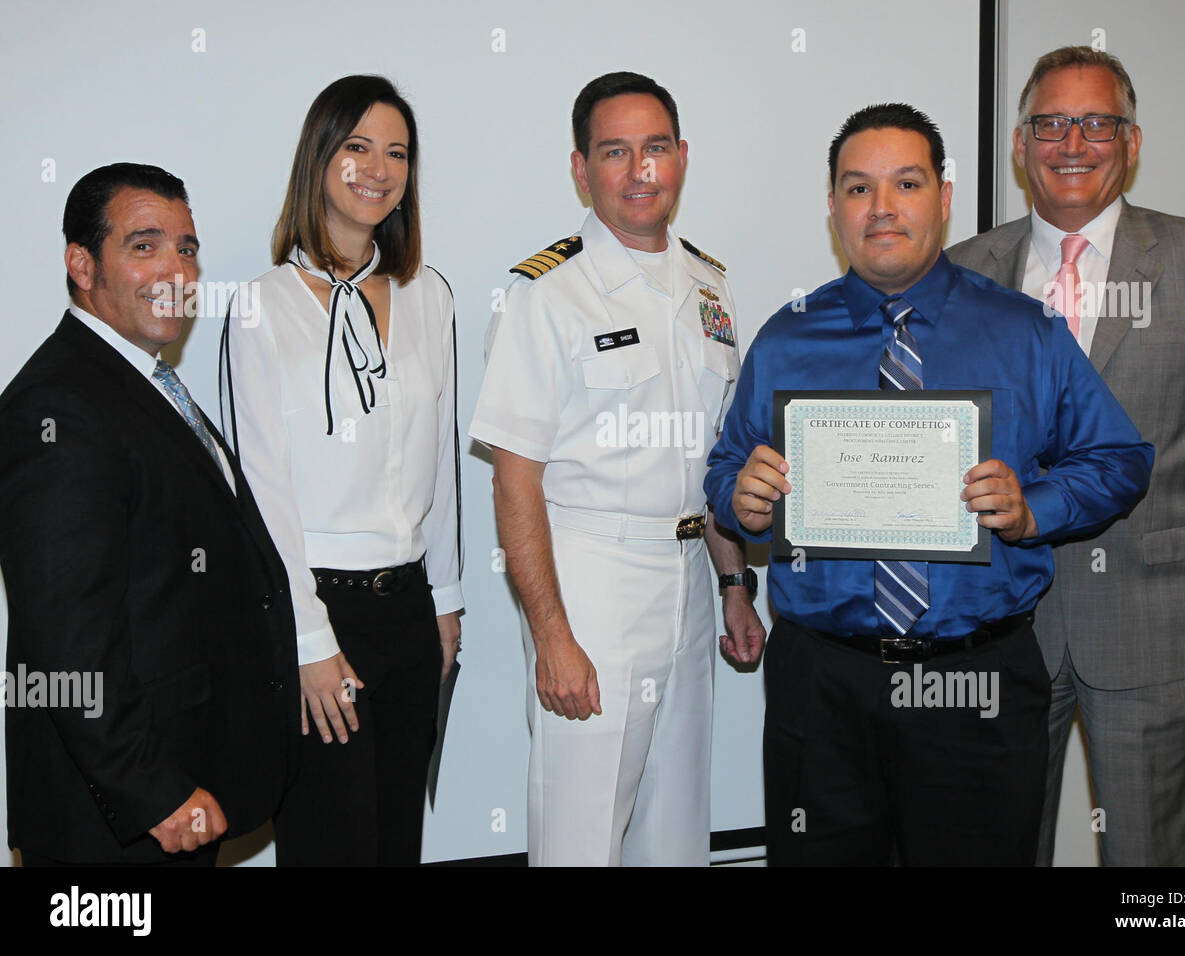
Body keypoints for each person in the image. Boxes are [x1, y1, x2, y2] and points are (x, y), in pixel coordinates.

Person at [705, 104, 1154, 866]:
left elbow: (1120, 459)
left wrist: (1030, 509)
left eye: (905, 183)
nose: (881, 208)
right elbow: (726, 468)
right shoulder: (788, 336)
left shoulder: (1026, 332)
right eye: (857, 189)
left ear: (944, 198)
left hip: (976, 684)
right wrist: (737, 498)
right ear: (833, 206)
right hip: (824, 684)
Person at [947, 46, 1185, 867]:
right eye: (1050, 123)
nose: (1073, 142)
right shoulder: (962, 274)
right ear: (1020, 147)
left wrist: (1160, 514)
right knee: (996, 843)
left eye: (1098, 123)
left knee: (1151, 859)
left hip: (1149, 617)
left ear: (1131, 143)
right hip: (1001, 620)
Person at [469, 71, 765, 867]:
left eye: (656, 148)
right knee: (581, 836)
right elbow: (514, 477)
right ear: (581, 169)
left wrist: (734, 584)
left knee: (675, 831)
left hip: (691, 585)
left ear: (682, 158)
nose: (640, 170)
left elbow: (715, 459)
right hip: (593, 582)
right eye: (616, 152)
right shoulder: (546, 294)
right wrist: (552, 635)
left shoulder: (711, 284)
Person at [0, 163, 299, 866]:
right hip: (118, 821)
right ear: (82, 264)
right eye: (144, 245)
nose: (176, 270)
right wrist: (153, 791)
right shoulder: (59, 409)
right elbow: (68, 641)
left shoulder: (145, 381)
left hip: (178, 785)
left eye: (187, 248)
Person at [221, 75, 464, 866]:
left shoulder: (431, 296)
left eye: (397, 152)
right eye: (357, 146)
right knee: (330, 845)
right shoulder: (260, 307)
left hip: (411, 610)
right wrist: (307, 640)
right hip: (317, 612)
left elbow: (445, 471)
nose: (378, 167)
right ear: (319, 158)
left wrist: (448, 605)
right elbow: (259, 496)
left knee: (397, 842)